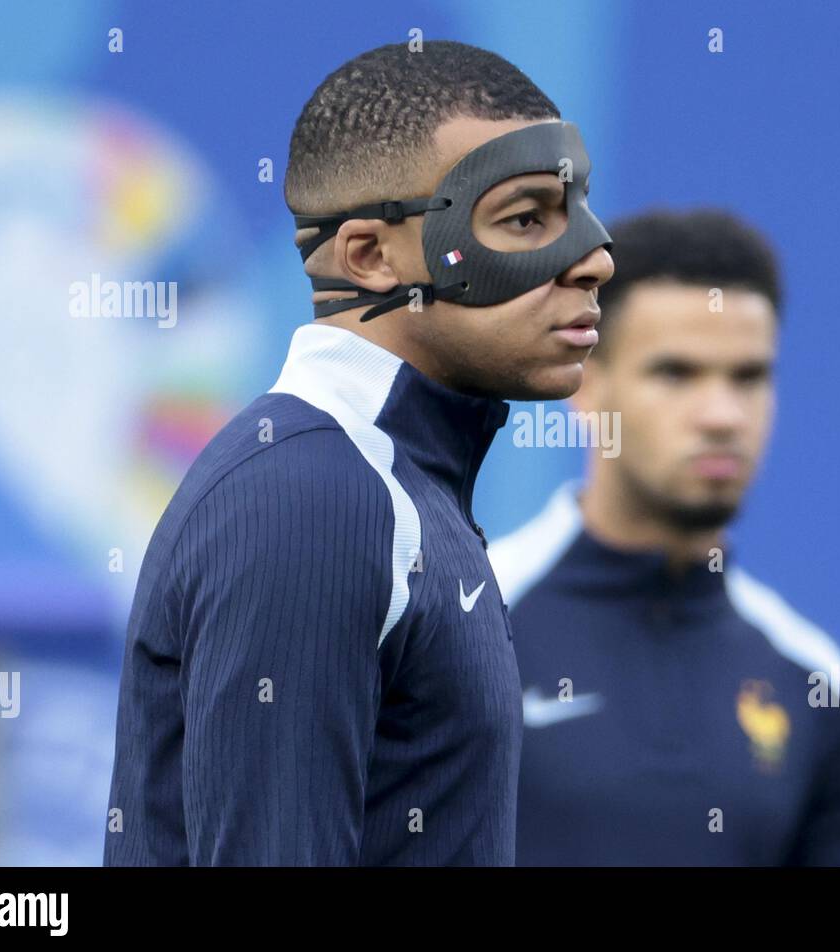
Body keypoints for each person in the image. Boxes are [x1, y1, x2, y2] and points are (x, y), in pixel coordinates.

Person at [104, 40, 613, 866]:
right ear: (372, 257)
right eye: (525, 218)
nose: (594, 258)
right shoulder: (316, 497)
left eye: (577, 209)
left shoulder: (387, 487)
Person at [489, 208, 840, 865]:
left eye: (748, 377)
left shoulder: (816, 681)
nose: (722, 415)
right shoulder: (461, 626)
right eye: (677, 374)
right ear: (583, 382)